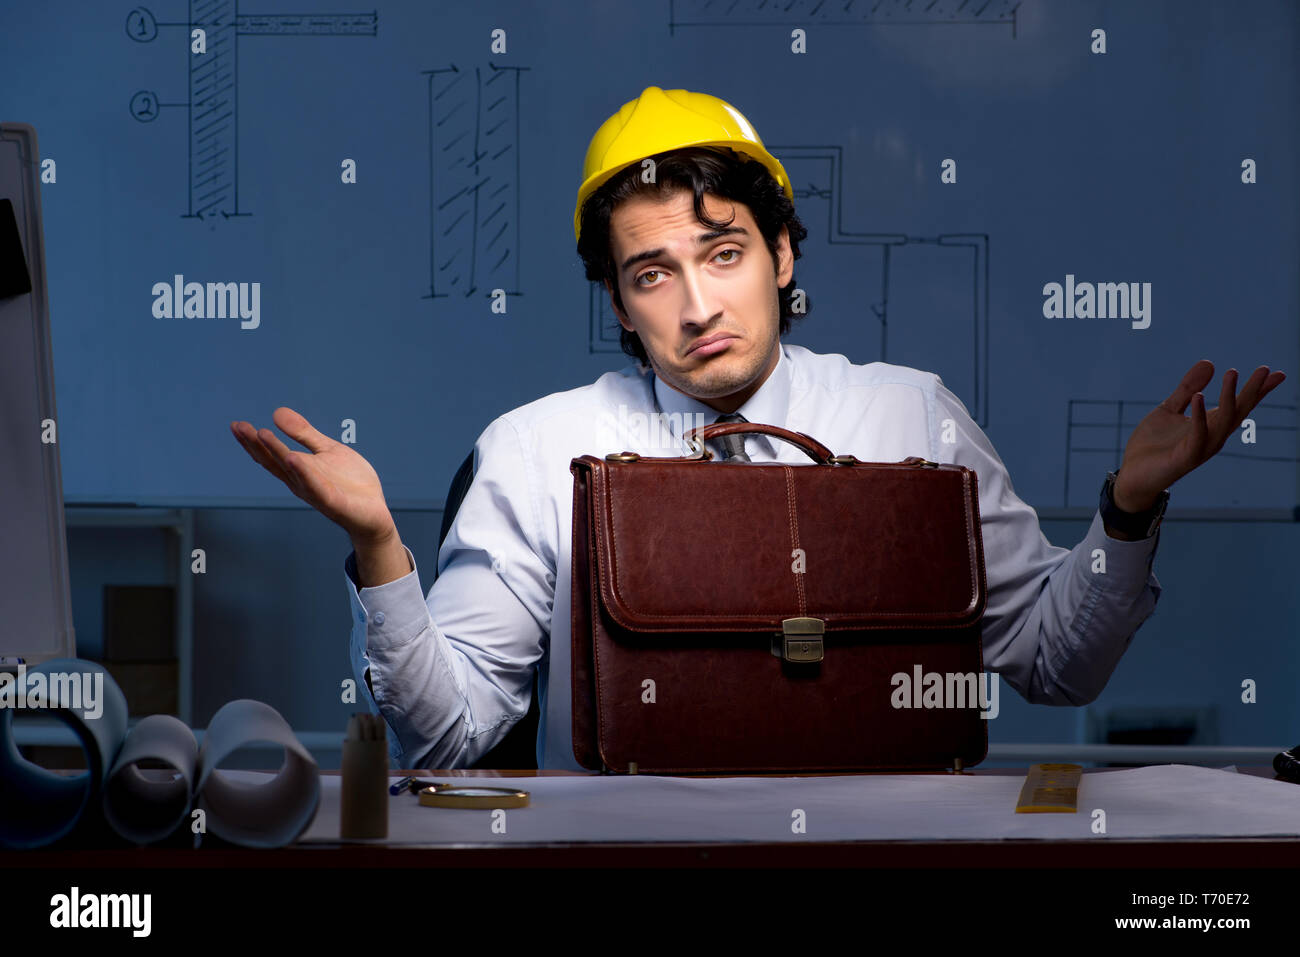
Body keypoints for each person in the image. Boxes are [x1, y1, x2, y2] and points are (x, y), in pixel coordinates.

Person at [230, 86, 1285, 771]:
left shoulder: (906, 414)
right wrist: (378, 551)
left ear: (783, 254)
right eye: (653, 273)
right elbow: (450, 736)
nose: (696, 306)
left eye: (723, 253)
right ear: (618, 303)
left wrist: (1129, 508)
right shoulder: (535, 450)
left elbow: (1056, 667)